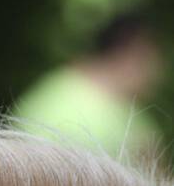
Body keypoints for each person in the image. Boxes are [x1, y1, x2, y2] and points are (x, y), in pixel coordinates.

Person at [14, 11, 163, 165]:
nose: (157, 70)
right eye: (151, 55)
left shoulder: (49, 89)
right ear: (133, 52)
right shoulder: (134, 128)